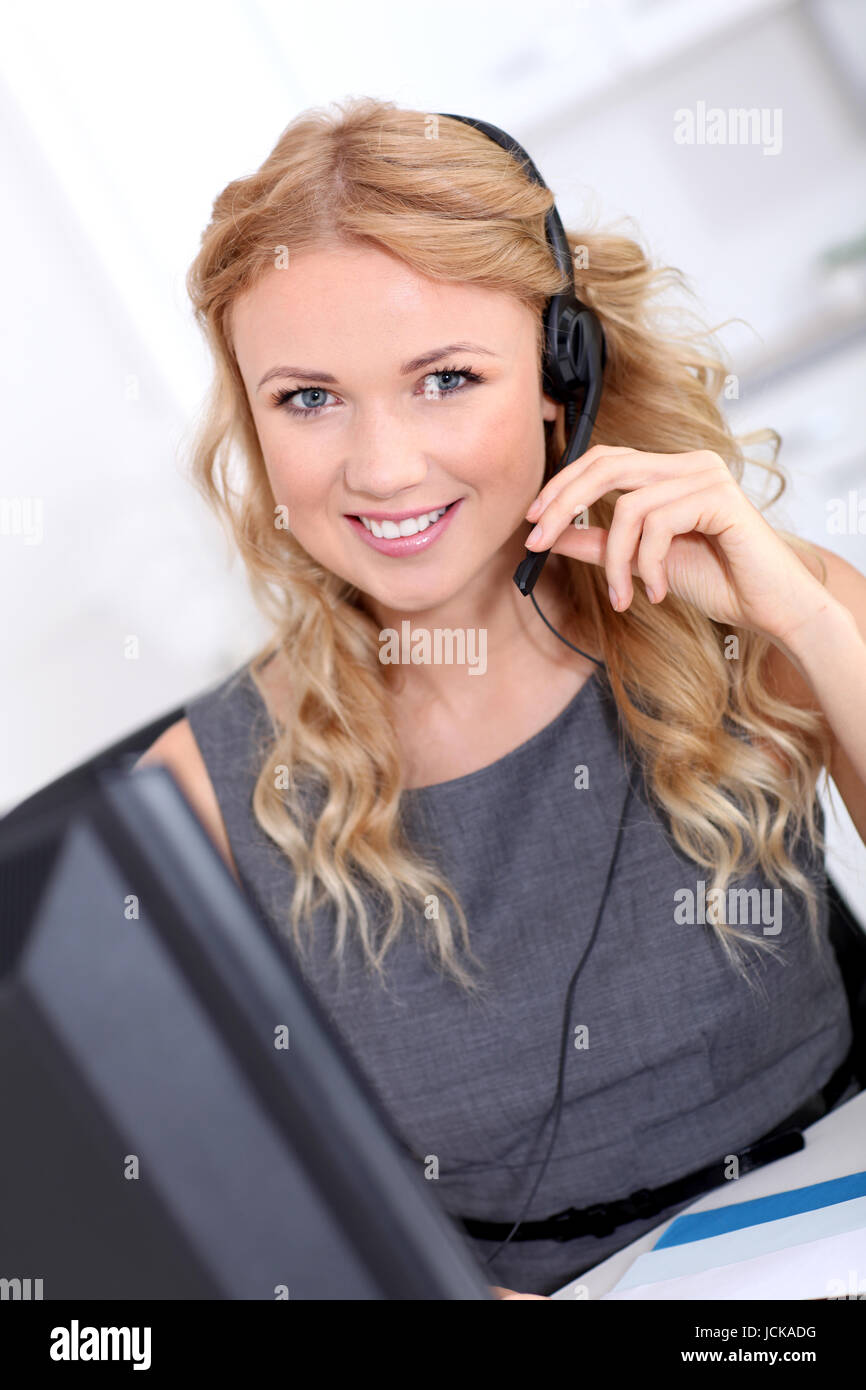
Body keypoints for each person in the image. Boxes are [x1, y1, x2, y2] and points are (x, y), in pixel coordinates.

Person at [136, 96, 866, 1299]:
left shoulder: (765, 608)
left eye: (445, 378)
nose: (380, 468)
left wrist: (799, 617)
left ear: (556, 374)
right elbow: (215, 1206)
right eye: (307, 398)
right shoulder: (201, 793)